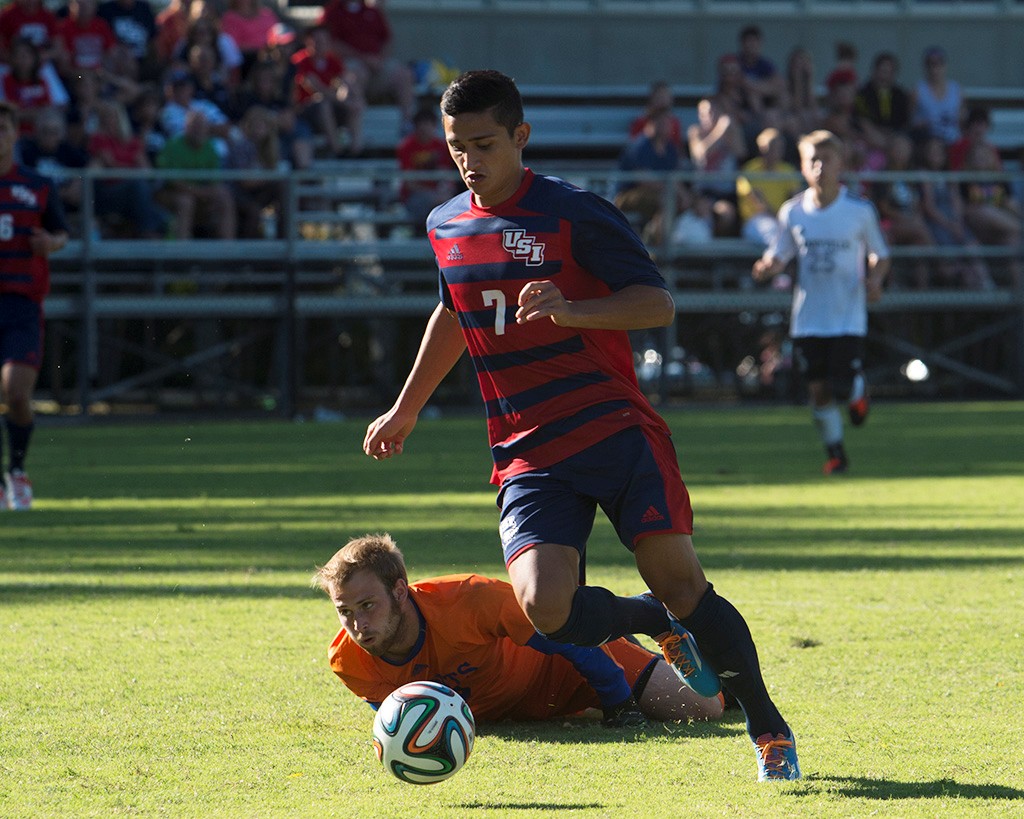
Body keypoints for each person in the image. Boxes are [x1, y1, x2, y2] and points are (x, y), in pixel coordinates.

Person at [362, 70, 800, 781]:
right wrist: (405, 407)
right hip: (527, 452)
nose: (469, 160)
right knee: (545, 608)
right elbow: (452, 310)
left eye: (483, 144)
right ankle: (652, 620)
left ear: (520, 137)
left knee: (684, 581)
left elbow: (655, 303)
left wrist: (572, 309)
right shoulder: (445, 223)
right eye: (455, 147)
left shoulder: (574, 214)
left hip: (613, 429)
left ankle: (769, 730)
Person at [313, 533, 725, 726]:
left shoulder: (470, 598)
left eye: (368, 606)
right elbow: (396, 713)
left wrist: (618, 703)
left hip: (565, 663)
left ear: (400, 591)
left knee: (706, 708)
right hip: (530, 709)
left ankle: (636, 618)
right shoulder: (347, 660)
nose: (357, 624)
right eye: (344, 611)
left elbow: (562, 637)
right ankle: (618, 629)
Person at [752, 130, 890, 475]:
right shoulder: (793, 212)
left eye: (826, 158)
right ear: (801, 165)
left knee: (839, 385)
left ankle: (858, 391)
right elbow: (780, 254)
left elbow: (880, 255)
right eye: (812, 159)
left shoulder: (859, 211)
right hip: (809, 316)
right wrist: (767, 267)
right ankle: (836, 454)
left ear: (840, 163)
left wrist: (874, 278)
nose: (819, 166)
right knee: (818, 390)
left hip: (847, 315)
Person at [0, 101, 70, 510]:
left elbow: (62, 233)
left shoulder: (39, 185)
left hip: (22, 303)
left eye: (4, 128)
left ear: (13, 134)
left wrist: (50, 244)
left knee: (16, 392)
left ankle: (17, 470)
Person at [318, 0, 415, 134]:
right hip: (349, 64)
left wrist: (379, 59)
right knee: (354, 75)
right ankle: (353, 131)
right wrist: (362, 58)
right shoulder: (332, 12)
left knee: (404, 74)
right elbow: (330, 43)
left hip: (376, 64)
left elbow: (386, 39)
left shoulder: (372, 11)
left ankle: (407, 124)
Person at [395, 106, 456, 233]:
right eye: (421, 124)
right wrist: (434, 194)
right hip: (413, 196)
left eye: (428, 124)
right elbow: (409, 183)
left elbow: (446, 176)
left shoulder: (441, 146)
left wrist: (445, 190)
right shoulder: (406, 147)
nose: (424, 128)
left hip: (438, 194)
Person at [735, 126, 798, 247]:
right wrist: (781, 219)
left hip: (782, 219)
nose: (775, 152)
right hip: (755, 221)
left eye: (779, 148)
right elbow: (759, 203)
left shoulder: (787, 170)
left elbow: (796, 197)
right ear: (761, 148)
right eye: (771, 147)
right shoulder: (749, 170)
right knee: (776, 236)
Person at [910, 46, 963, 145]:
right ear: (926, 67)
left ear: (945, 65)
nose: (935, 69)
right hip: (928, 141)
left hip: (952, 139)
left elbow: (961, 118)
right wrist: (925, 123)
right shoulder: (918, 90)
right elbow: (910, 121)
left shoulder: (956, 89)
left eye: (939, 64)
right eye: (931, 64)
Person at [854, 52, 912, 140]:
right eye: (883, 71)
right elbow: (861, 118)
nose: (885, 77)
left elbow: (904, 122)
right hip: (868, 137)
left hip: (894, 137)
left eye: (889, 72)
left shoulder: (899, 95)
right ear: (875, 71)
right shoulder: (863, 94)